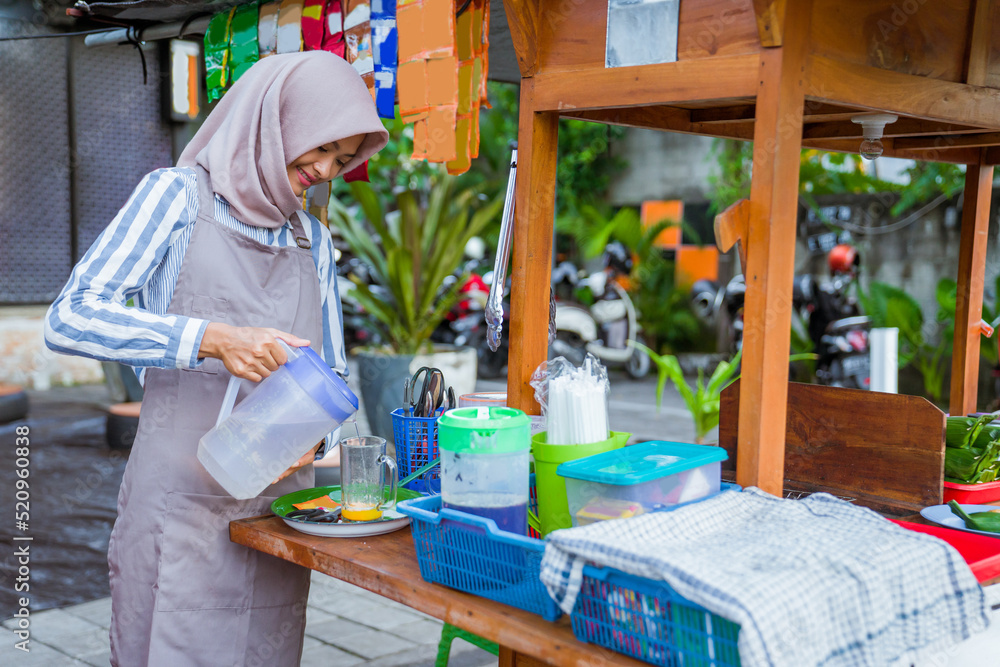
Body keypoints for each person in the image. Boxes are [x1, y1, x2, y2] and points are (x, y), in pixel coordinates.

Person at [44, 51, 388, 666]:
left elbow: (332, 376)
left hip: (276, 512)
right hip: (179, 504)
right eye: (319, 146)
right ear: (276, 119)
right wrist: (211, 339)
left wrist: (313, 439)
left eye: (341, 161)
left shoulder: (314, 243)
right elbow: (71, 316)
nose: (323, 168)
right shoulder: (174, 198)